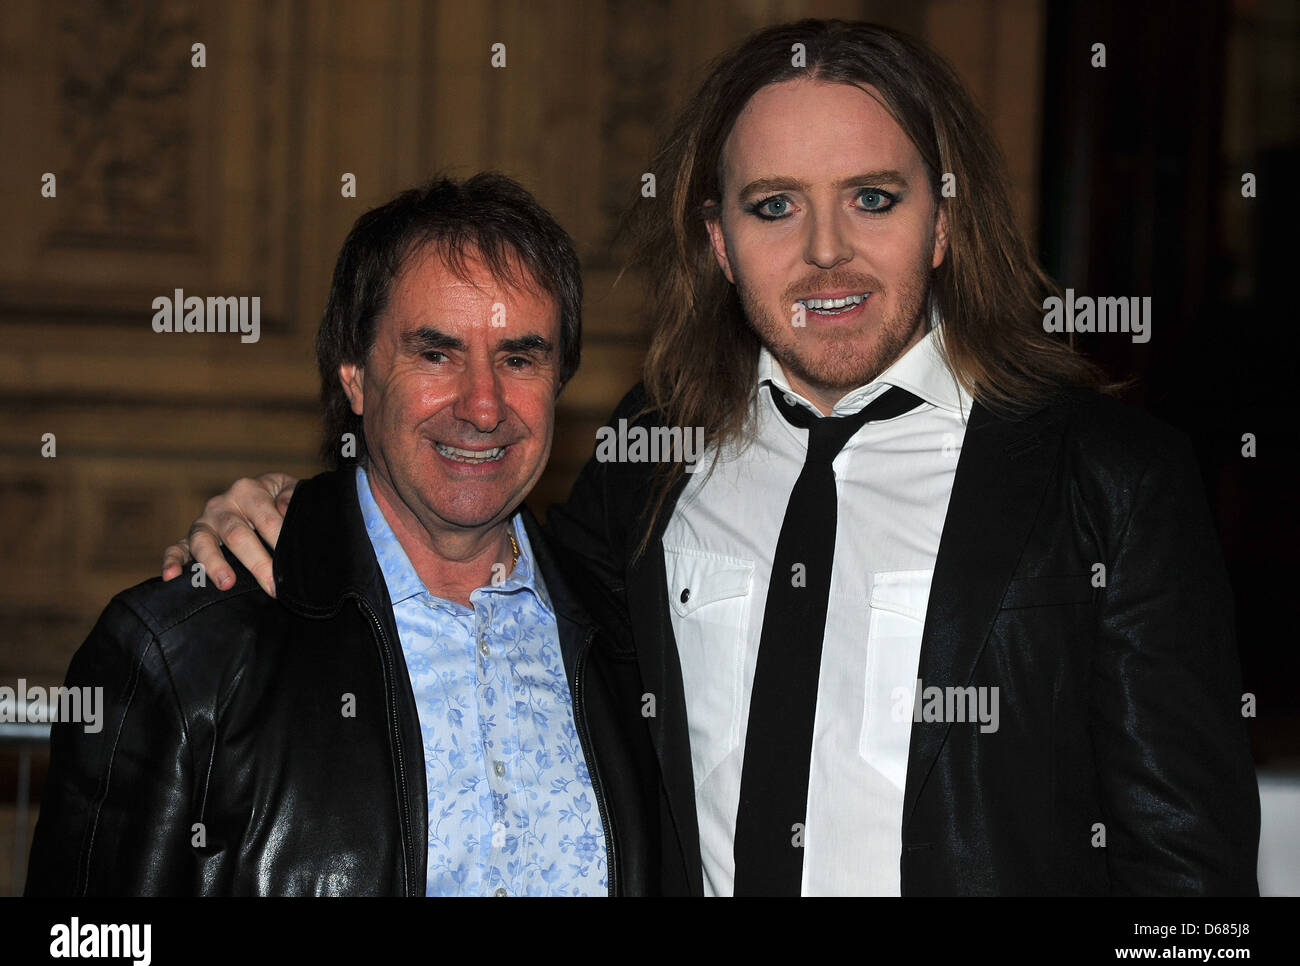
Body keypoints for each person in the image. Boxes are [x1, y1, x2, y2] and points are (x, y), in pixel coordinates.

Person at [160, 20, 1259, 895]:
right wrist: (296, 516)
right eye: (774, 206)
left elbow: (1187, 870)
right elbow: (468, 555)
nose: (826, 250)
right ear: (718, 244)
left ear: (942, 222)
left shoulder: (1109, 478)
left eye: (873, 198)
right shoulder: (654, 449)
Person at [27, 173, 657, 897]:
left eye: (519, 357)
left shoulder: (627, 646)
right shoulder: (185, 651)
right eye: (435, 353)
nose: (483, 407)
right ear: (355, 377)